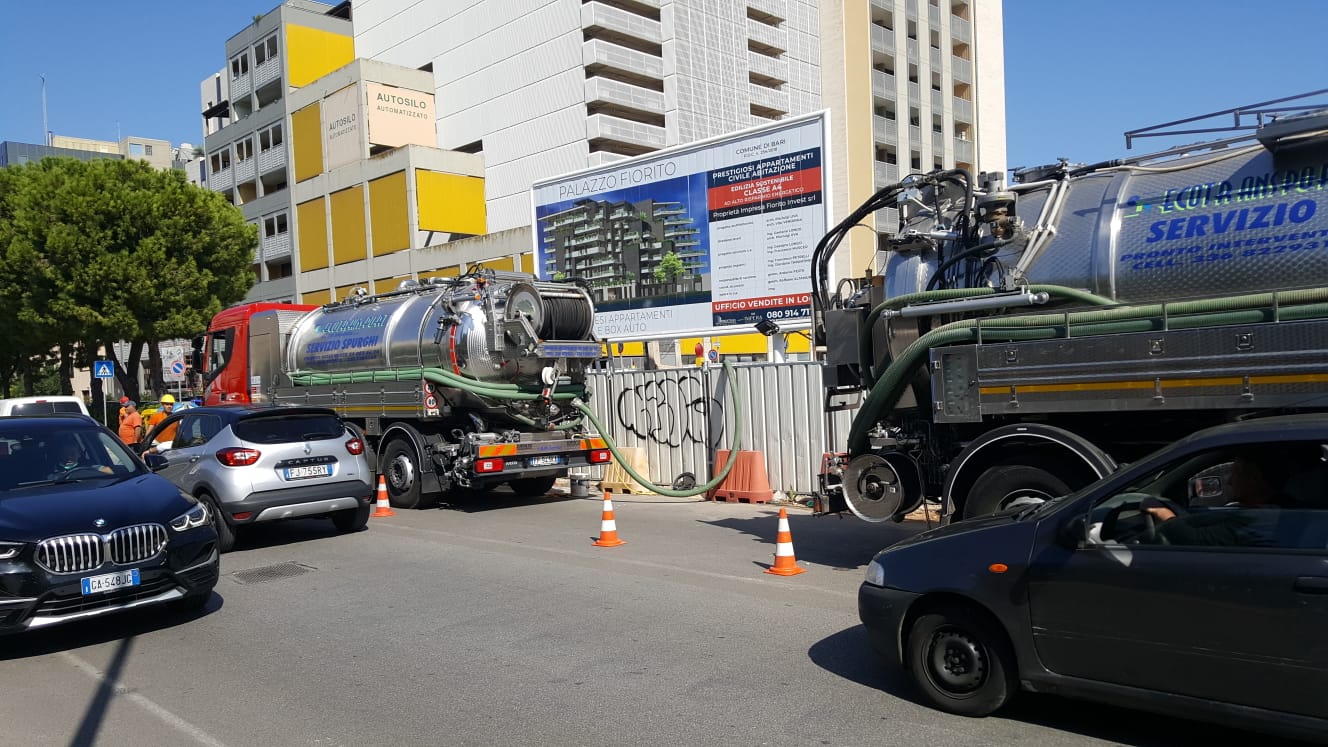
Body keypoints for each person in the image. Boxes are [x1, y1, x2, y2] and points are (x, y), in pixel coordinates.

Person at [1143, 453, 1289, 547]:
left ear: (1254, 478)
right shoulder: (1284, 507)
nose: (1230, 482)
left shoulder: (1257, 519)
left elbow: (1194, 539)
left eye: (1236, 474)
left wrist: (1164, 514)